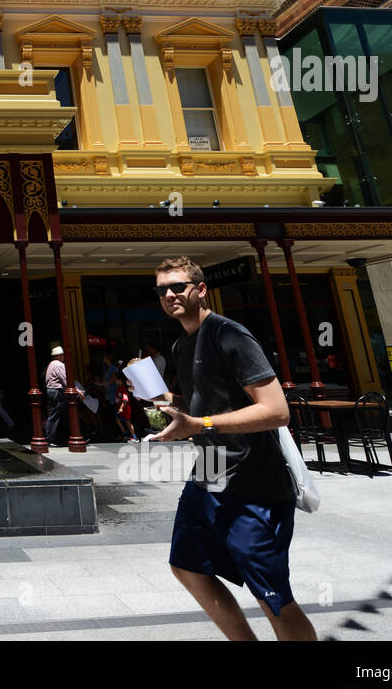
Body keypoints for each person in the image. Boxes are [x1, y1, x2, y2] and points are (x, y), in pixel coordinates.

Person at [150, 255, 316, 641]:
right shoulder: (180, 345)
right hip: (207, 474)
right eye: (162, 290)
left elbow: (276, 411)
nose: (170, 294)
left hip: (254, 483)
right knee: (187, 566)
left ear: (201, 289)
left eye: (178, 286)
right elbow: (206, 404)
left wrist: (201, 424)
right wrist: (168, 404)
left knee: (272, 596)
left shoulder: (230, 335)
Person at [113, 370, 139, 443]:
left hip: (125, 409)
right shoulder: (119, 387)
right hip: (119, 408)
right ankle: (125, 435)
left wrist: (121, 408)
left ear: (119, 380)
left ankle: (134, 437)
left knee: (128, 423)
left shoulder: (123, 389)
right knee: (118, 420)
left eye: (115, 379)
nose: (114, 380)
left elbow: (125, 400)